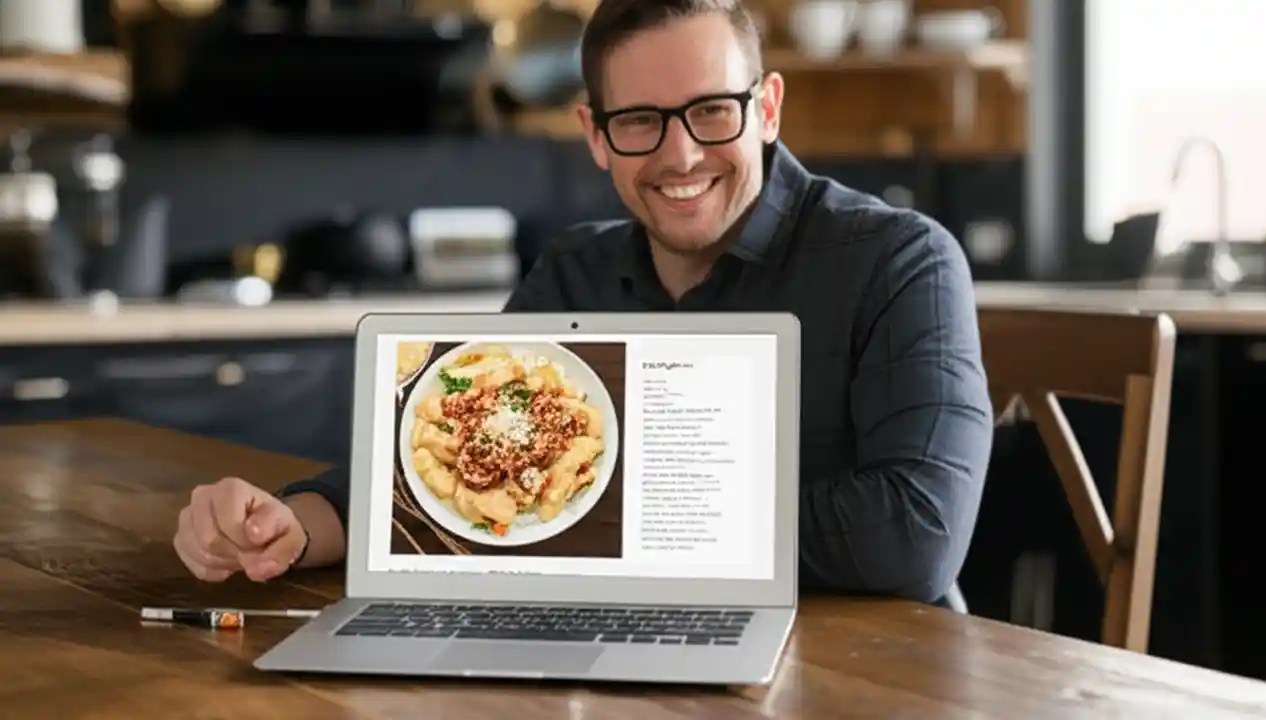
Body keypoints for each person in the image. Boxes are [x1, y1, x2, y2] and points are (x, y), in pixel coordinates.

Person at [171, 0, 993, 604]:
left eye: (712, 111)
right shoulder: (573, 273)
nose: (681, 155)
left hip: (871, 677)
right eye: (640, 121)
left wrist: (584, 508)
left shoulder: (901, 260)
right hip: (605, 656)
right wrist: (287, 526)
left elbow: (912, 539)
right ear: (596, 135)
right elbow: (452, 476)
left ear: (767, 108)